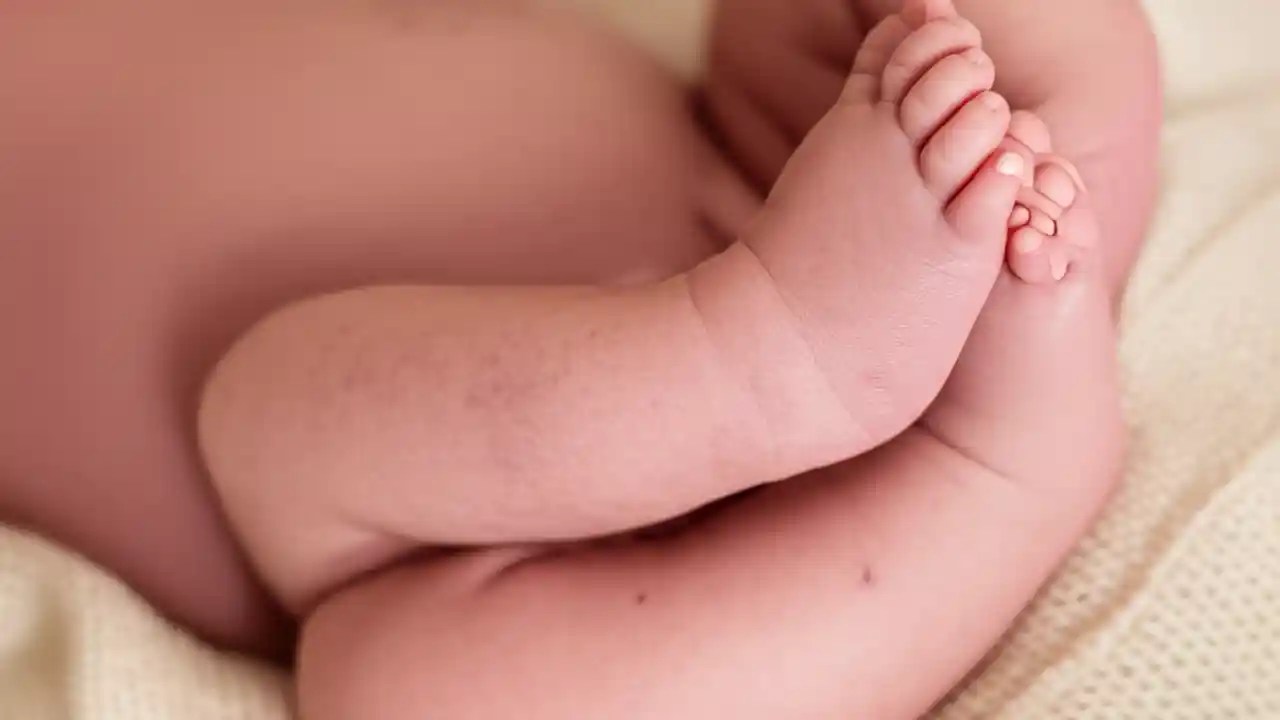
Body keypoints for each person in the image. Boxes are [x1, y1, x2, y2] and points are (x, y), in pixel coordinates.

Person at [0, 0, 1160, 715]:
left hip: (762, 148)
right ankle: (978, 459)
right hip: (440, 518)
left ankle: (1009, 224)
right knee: (406, 690)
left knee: (964, 55)